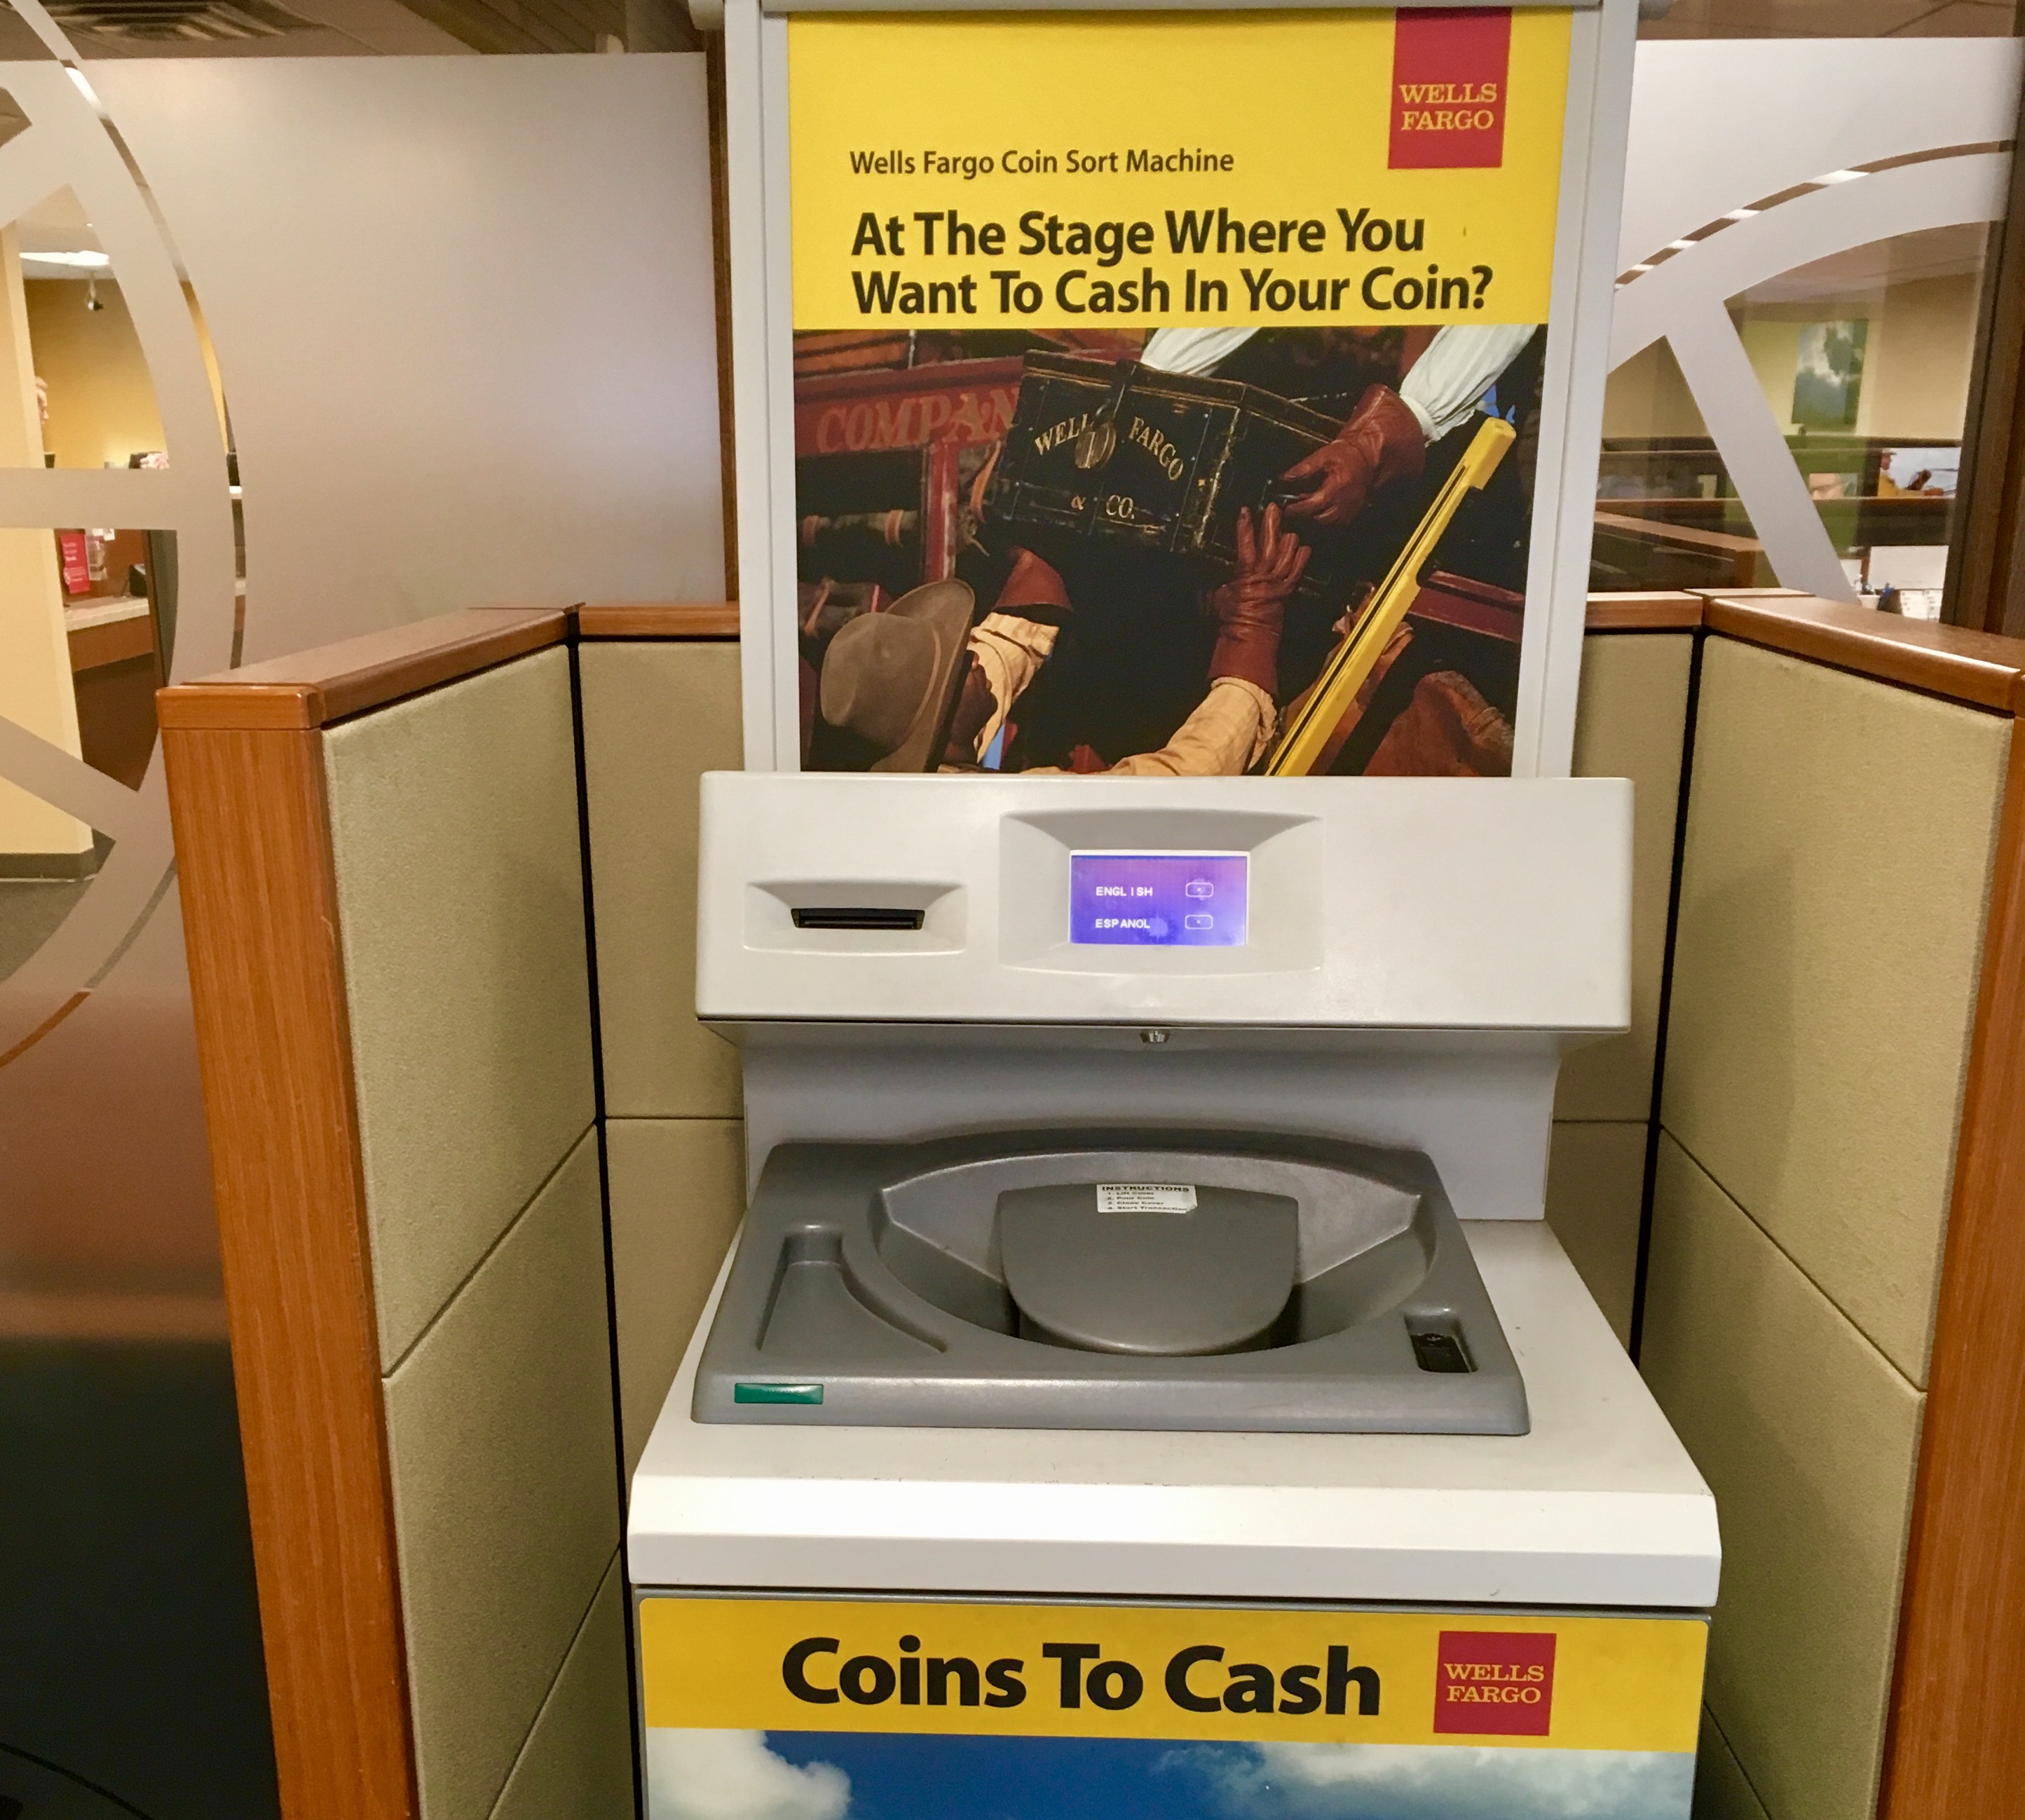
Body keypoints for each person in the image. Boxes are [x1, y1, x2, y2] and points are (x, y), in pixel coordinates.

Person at [944, 505, 1308, 777]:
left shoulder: (913, 762)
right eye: (938, 672)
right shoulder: (998, 806)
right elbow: (1180, 780)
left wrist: (1029, 609)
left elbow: (952, 715)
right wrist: (1251, 633)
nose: (968, 659)